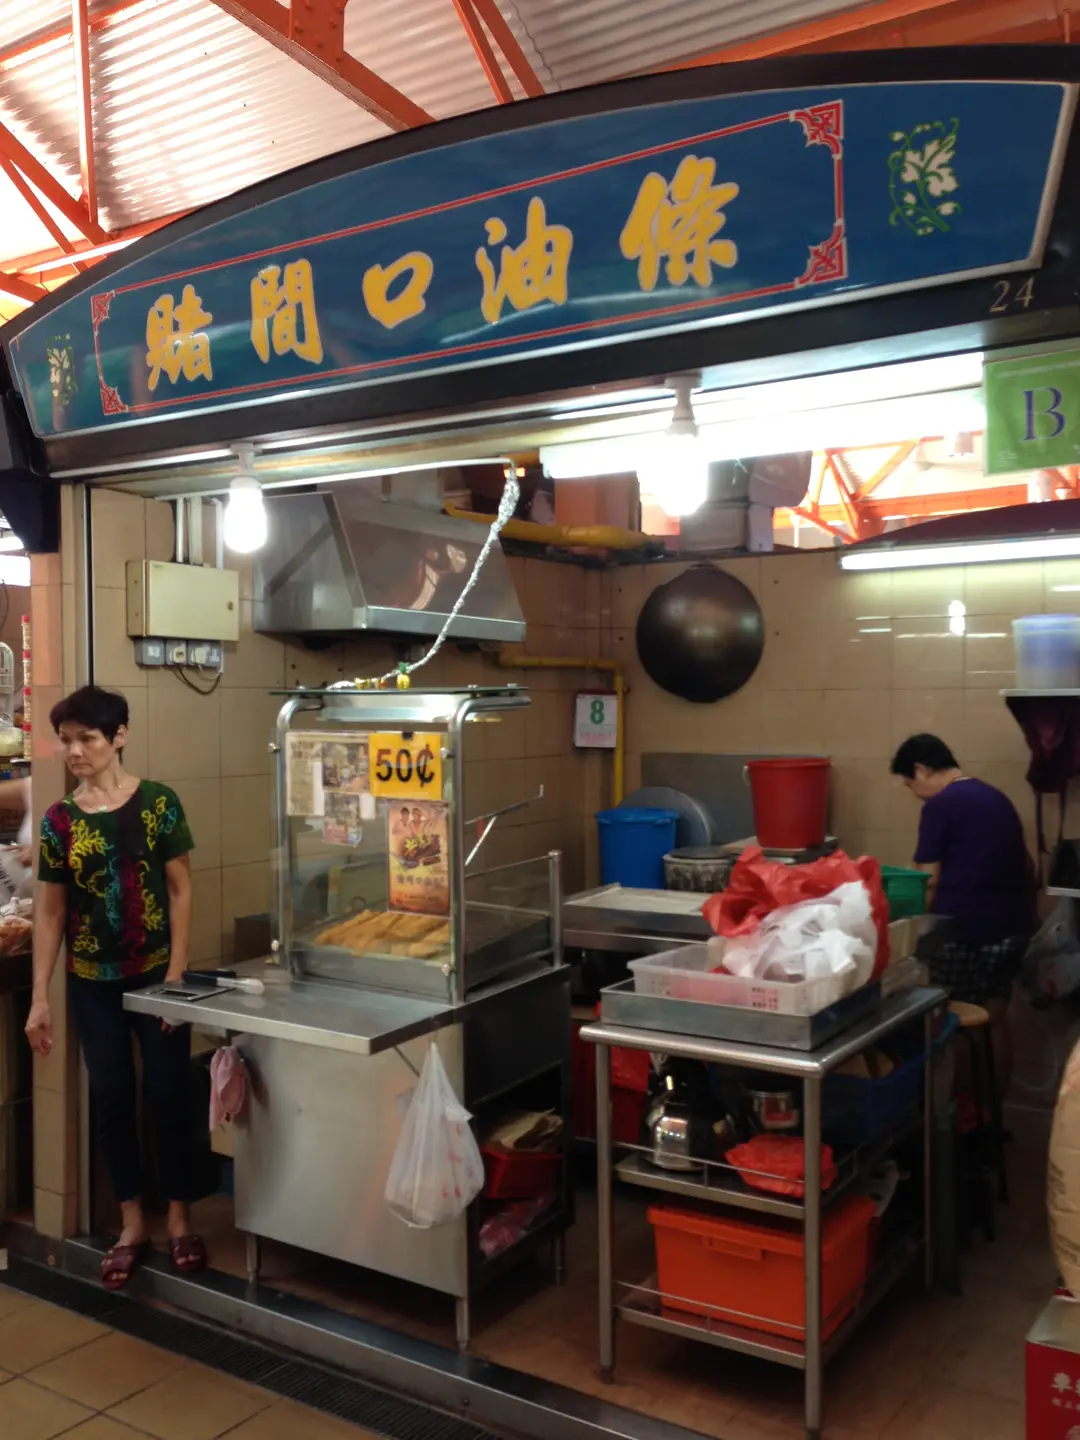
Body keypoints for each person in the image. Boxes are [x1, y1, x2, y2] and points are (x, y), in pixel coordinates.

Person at [24, 686, 204, 1290]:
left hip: (157, 977)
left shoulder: (158, 804)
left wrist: (177, 975)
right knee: (112, 1098)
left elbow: (180, 890)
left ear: (119, 736)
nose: (74, 751)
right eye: (67, 740)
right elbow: (49, 915)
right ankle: (133, 1222)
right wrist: (40, 996)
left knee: (170, 1091)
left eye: (88, 738)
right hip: (91, 983)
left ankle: (179, 1215)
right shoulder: (58, 822)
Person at [890, 732, 1035, 1092]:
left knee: (954, 1023)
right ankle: (992, 1116)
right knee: (995, 1020)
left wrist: (908, 932)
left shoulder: (941, 805)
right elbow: (1028, 865)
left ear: (922, 770)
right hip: (1011, 929)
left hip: (964, 934)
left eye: (910, 785)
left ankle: (959, 1120)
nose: (914, 794)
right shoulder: (995, 797)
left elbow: (928, 881)